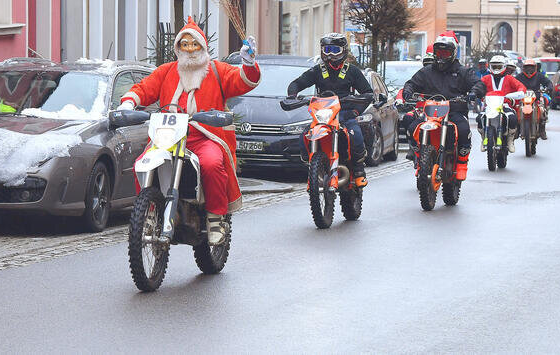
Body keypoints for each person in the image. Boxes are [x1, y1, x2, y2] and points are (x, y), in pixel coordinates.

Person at [117, 18, 260, 245]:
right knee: (141, 164)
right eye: (185, 45)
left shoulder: (216, 70)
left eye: (195, 45)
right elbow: (144, 88)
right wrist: (128, 103)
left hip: (204, 136)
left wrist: (249, 64)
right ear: (178, 48)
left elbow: (242, 82)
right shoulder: (166, 72)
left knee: (212, 164)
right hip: (167, 137)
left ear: (203, 47)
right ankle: (150, 211)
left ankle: (215, 217)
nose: (190, 49)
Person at [287, 33, 373, 188]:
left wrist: (356, 111)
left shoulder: (352, 71)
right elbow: (296, 84)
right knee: (303, 137)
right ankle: (313, 166)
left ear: (344, 50)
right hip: (322, 115)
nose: (330, 54)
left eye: (334, 50)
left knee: (356, 137)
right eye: (327, 50)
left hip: (345, 114)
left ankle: (359, 170)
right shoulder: (317, 70)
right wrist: (293, 95)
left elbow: (368, 93)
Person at [402, 33, 480, 182]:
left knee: (464, 130)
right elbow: (412, 83)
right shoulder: (427, 71)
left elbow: (477, 83)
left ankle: (462, 163)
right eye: (439, 52)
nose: (442, 56)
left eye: (446, 52)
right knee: (412, 128)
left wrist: (474, 93)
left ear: (453, 53)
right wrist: (408, 92)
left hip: (454, 111)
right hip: (430, 112)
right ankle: (420, 158)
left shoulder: (462, 71)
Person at [473, 54, 526, 153]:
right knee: (479, 118)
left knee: (513, 118)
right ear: (490, 66)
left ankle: (510, 140)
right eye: (494, 66)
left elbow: (521, 87)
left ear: (504, 66)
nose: (496, 69)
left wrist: (518, 93)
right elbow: (478, 86)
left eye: (499, 66)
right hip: (489, 106)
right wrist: (474, 92)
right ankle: (483, 137)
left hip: (505, 105)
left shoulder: (509, 78)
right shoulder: (486, 78)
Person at [515, 59, 552, 139]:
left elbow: (548, 82)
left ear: (535, 68)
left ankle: (542, 129)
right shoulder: (519, 76)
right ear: (523, 68)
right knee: (515, 109)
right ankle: (517, 128)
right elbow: (513, 83)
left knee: (542, 108)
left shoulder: (539, 76)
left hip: (536, 98)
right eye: (527, 67)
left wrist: (549, 87)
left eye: (531, 67)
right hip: (522, 99)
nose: (529, 69)